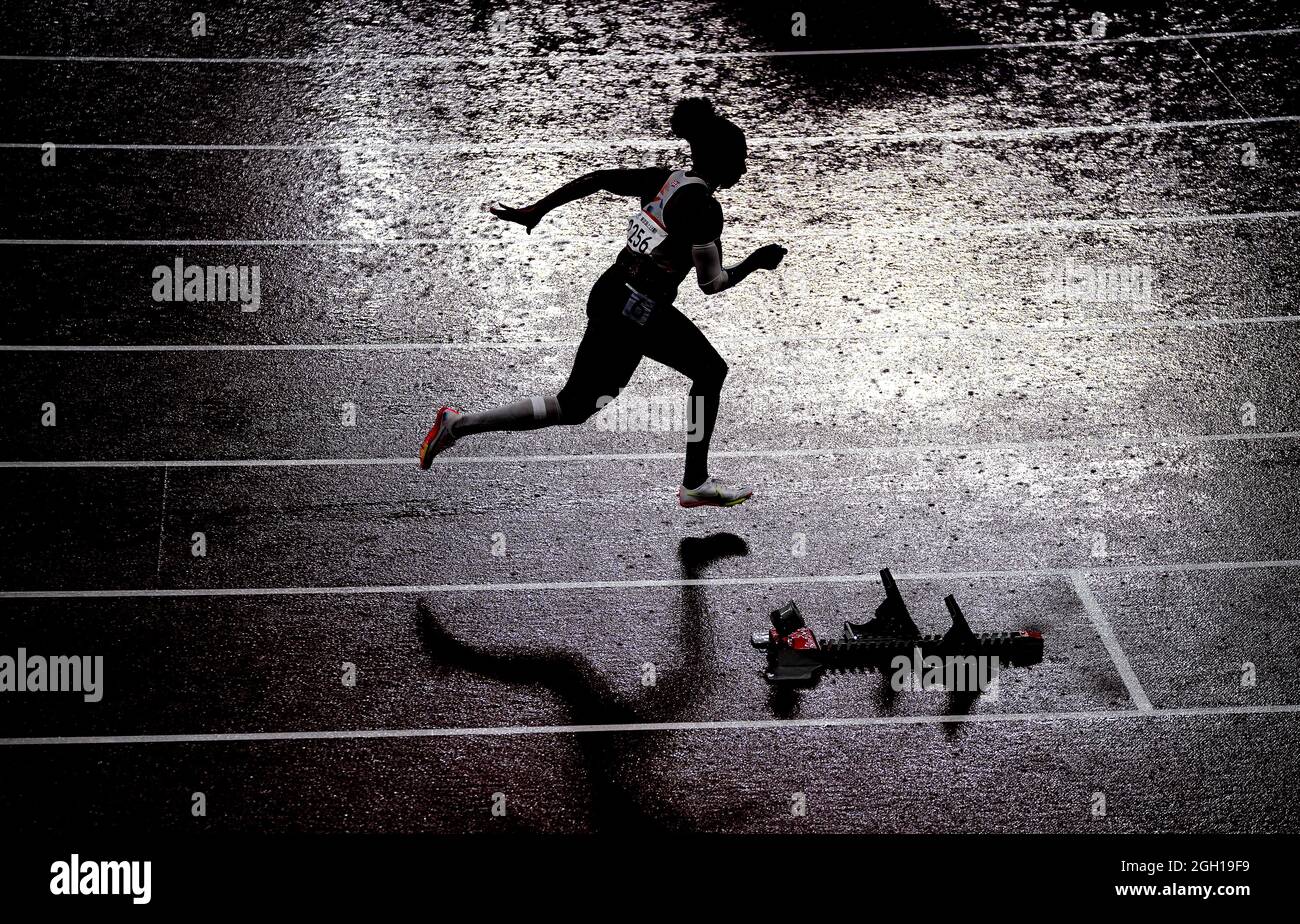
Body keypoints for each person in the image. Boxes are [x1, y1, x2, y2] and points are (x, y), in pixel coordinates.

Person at [418, 96, 786, 507]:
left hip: (611, 291)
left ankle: (458, 424)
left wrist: (539, 209)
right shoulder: (705, 210)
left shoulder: (666, 180)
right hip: (640, 311)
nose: (746, 168)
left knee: (576, 405)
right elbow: (711, 283)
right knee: (710, 372)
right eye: (741, 159)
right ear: (721, 162)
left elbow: (598, 179)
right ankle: (694, 481)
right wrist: (756, 262)